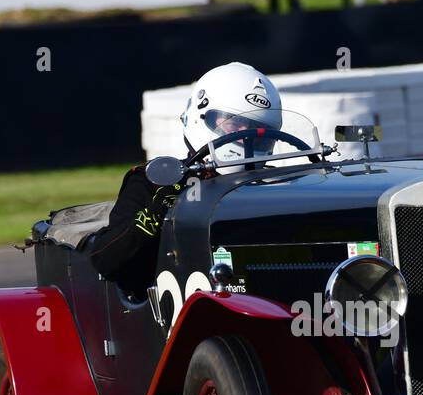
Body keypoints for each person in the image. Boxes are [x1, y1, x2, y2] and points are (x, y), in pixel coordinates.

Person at [85, 62, 282, 298]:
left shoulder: (277, 185)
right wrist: (156, 214)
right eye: (234, 124)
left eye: (255, 129)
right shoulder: (155, 182)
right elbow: (106, 261)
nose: (245, 136)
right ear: (202, 118)